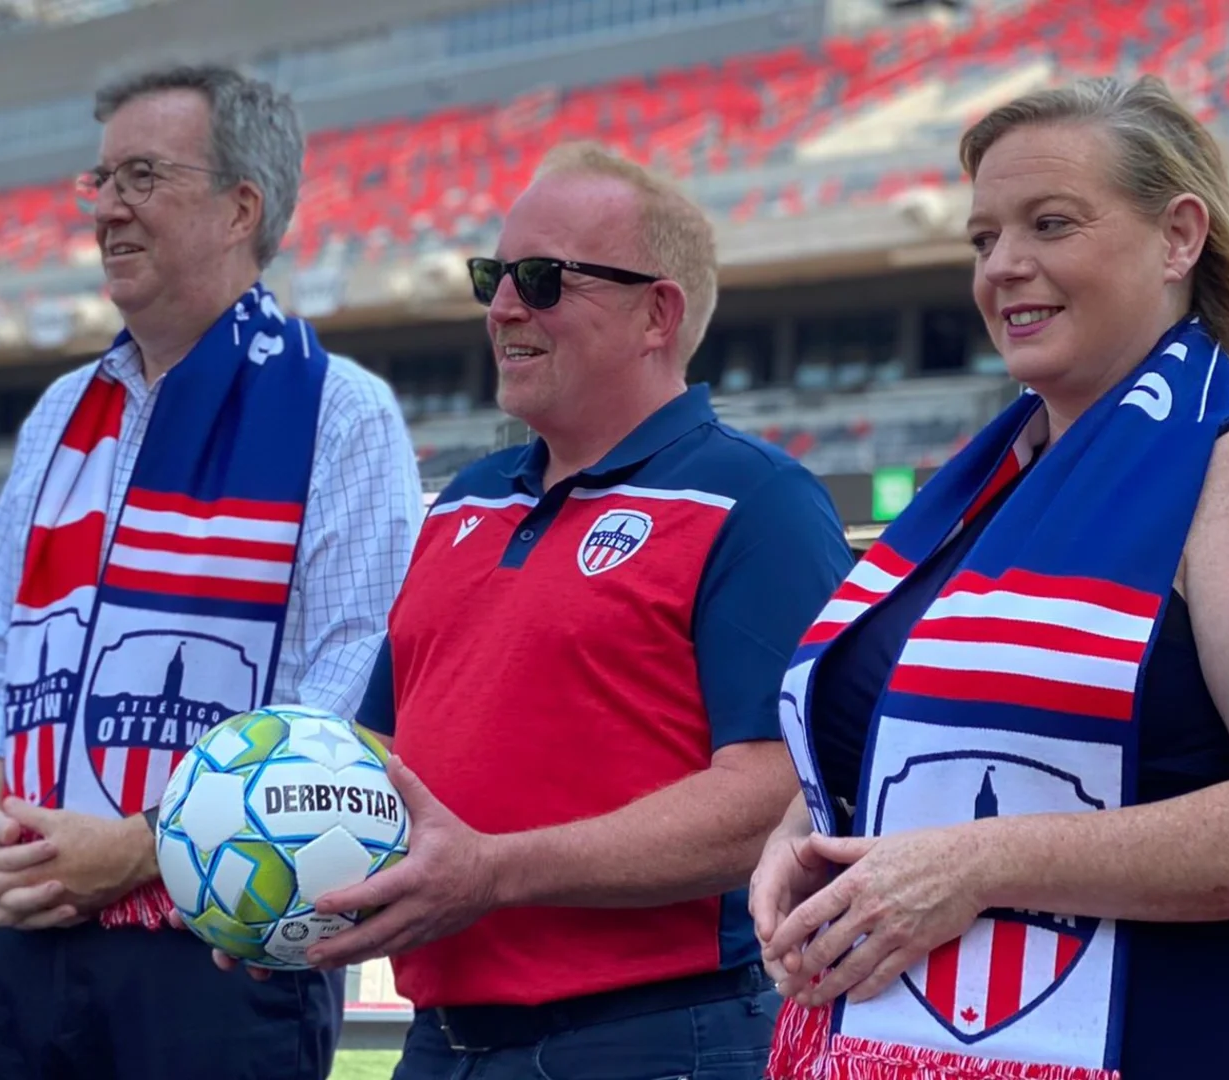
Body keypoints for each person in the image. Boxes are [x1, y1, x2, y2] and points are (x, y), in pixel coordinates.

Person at [754, 75, 1229, 1080]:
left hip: (1212, 1042)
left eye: (1050, 224)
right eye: (984, 239)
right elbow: (929, 723)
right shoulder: (980, 491)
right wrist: (806, 831)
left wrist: (976, 864)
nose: (1004, 268)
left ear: (1180, 237)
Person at [240, 141, 856, 1078]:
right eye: (495, 275)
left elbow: (777, 798)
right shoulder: (464, 500)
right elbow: (377, 759)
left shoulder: (758, 500)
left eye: (541, 278)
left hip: (653, 1040)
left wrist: (496, 870)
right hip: (440, 1045)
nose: (502, 306)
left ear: (659, 312)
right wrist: (266, 867)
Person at [0, 64, 424, 1080]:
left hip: (221, 962)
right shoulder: (65, 413)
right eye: (101, 178)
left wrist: (143, 846)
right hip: (23, 936)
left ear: (241, 206)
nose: (106, 206)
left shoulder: (343, 412)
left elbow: (352, 695)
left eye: (142, 176)